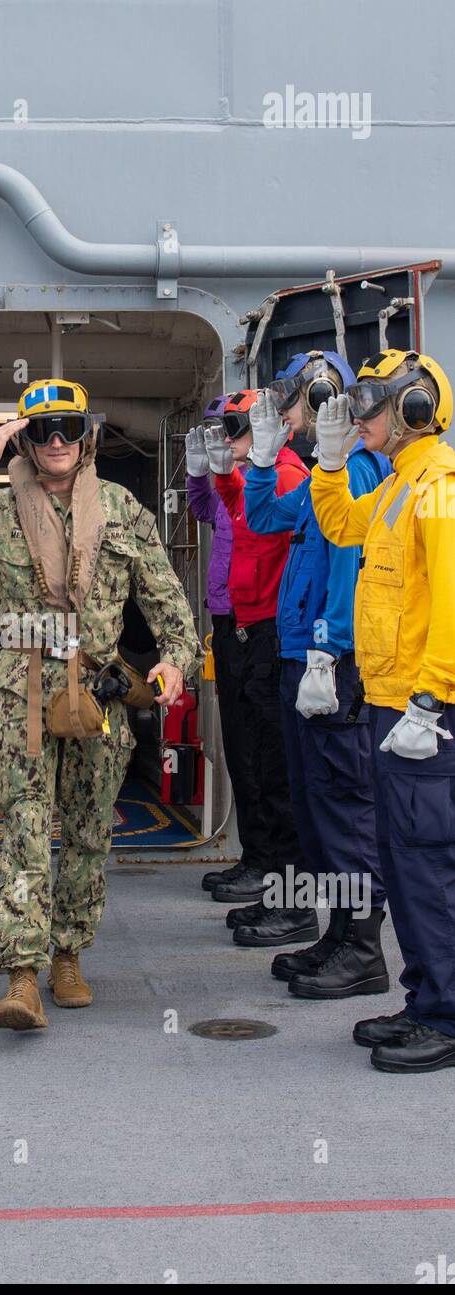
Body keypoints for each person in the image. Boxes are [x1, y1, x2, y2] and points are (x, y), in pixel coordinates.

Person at [0, 378, 200, 1031]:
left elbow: (170, 609)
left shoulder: (123, 509)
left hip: (99, 693)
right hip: (25, 687)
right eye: (40, 430)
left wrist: (173, 662)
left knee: (89, 833)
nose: (55, 442)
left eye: (67, 429)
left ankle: (69, 955)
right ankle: (22, 974)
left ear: (86, 435)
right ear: (25, 436)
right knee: (24, 831)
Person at [311, 350, 455, 1072]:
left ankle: (448, 1017)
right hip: (392, 707)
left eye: (372, 406)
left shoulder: (441, 489)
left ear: (416, 410)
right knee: (405, 865)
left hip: (427, 715)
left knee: (429, 866)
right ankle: (426, 997)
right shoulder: (402, 486)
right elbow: (340, 525)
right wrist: (330, 460)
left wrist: (431, 700)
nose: (361, 417)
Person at [242, 353, 391, 996]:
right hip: (300, 655)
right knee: (314, 806)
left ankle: (363, 950)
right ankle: (337, 934)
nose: (289, 414)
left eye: (295, 401)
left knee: (344, 807)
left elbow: (347, 568)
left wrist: (329, 650)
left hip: (329, 664)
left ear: (326, 398)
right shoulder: (325, 476)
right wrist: (261, 462)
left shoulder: (356, 472)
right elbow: (267, 519)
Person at [206, 390, 309, 935]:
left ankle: (290, 900)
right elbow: (240, 512)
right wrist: (223, 475)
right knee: (253, 760)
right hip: (249, 630)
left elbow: (261, 521)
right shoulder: (263, 478)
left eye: (238, 427)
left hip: (271, 633)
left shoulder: (289, 478)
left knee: (277, 772)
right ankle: (269, 877)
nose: (229, 437)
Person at [187, 395, 269, 900]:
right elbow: (203, 510)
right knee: (240, 747)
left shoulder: (272, 478)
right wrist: (203, 472)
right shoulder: (228, 480)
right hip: (227, 618)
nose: (225, 439)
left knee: (262, 751)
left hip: (255, 623)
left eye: (231, 429)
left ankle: (269, 865)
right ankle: (255, 856)